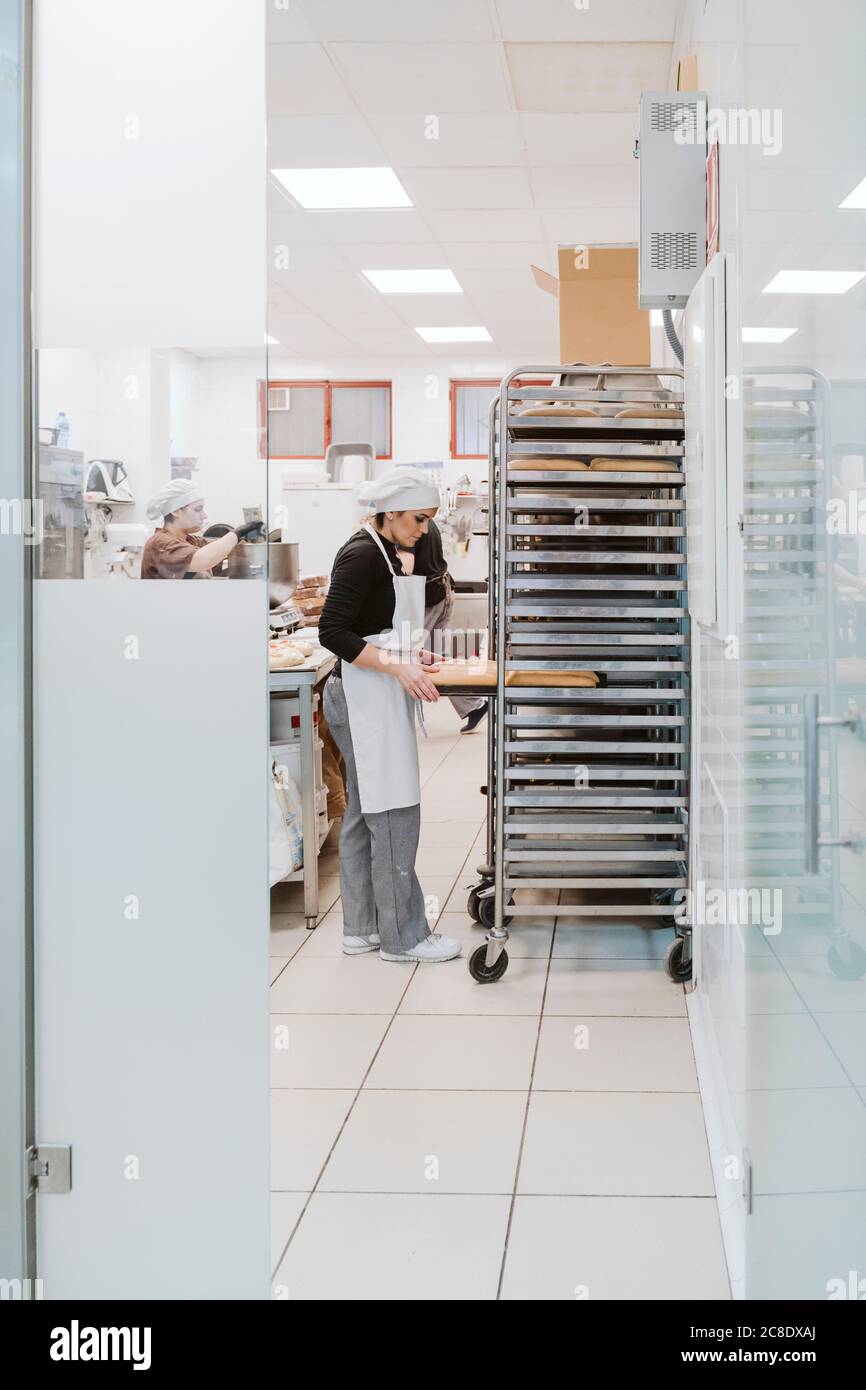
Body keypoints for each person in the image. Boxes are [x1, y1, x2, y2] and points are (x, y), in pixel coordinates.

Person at [318, 466, 462, 964]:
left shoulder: (377, 549)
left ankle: (361, 929)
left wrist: (406, 654)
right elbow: (333, 633)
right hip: (362, 699)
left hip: (362, 692)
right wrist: (397, 667)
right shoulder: (363, 555)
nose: (423, 531)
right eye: (419, 520)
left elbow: (368, 627)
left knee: (362, 814)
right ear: (391, 512)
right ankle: (405, 937)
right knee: (394, 813)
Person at [395, 517, 488, 734]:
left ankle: (397, 718)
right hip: (442, 591)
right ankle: (474, 706)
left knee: (404, 654)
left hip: (427, 598)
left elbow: (405, 569)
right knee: (439, 656)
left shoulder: (407, 525)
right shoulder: (428, 521)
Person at [140, 479, 263, 579]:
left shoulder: (191, 541)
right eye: (198, 509)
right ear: (176, 511)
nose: (204, 515)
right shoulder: (160, 544)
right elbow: (204, 559)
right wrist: (238, 533)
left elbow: (220, 551)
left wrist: (250, 539)